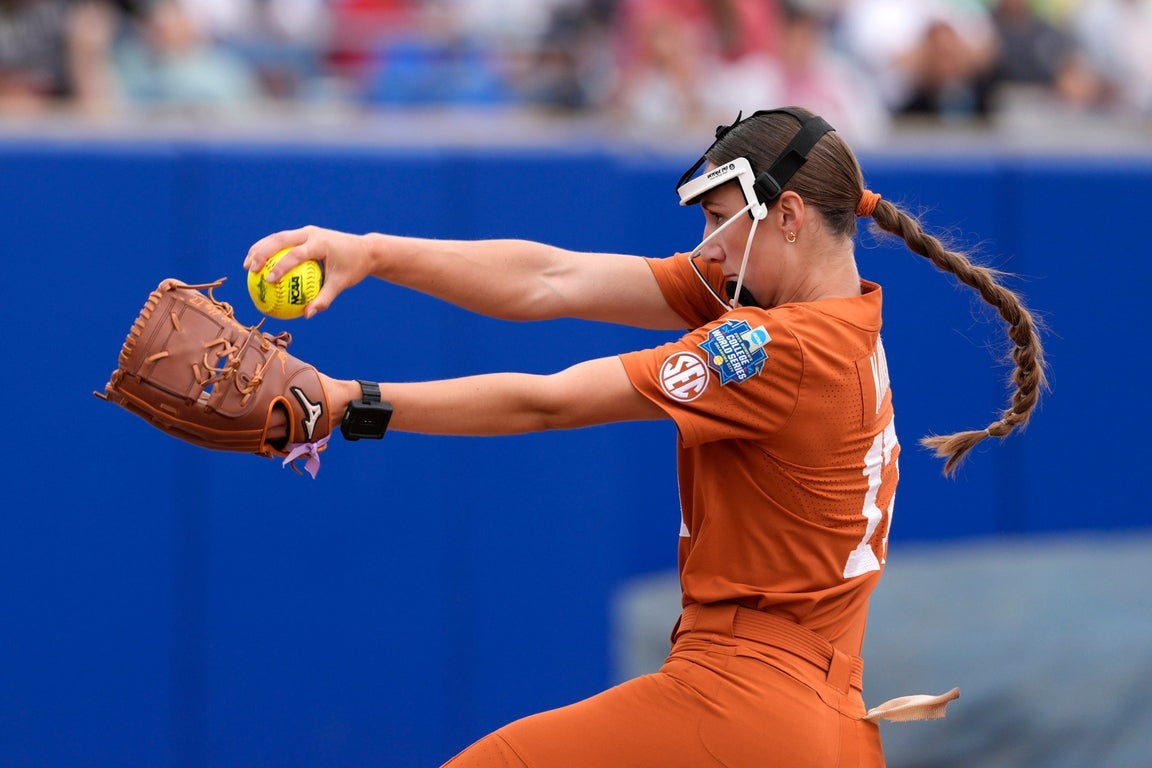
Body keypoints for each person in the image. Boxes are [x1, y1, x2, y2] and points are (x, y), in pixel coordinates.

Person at [243, 106, 1046, 767]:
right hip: (826, 728)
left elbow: (550, 403)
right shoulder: (837, 321)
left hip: (739, 703)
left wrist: (349, 403)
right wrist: (373, 252)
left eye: (722, 222)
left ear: (791, 216)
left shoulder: (774, 346)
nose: (709, 247)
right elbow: (551, 280)